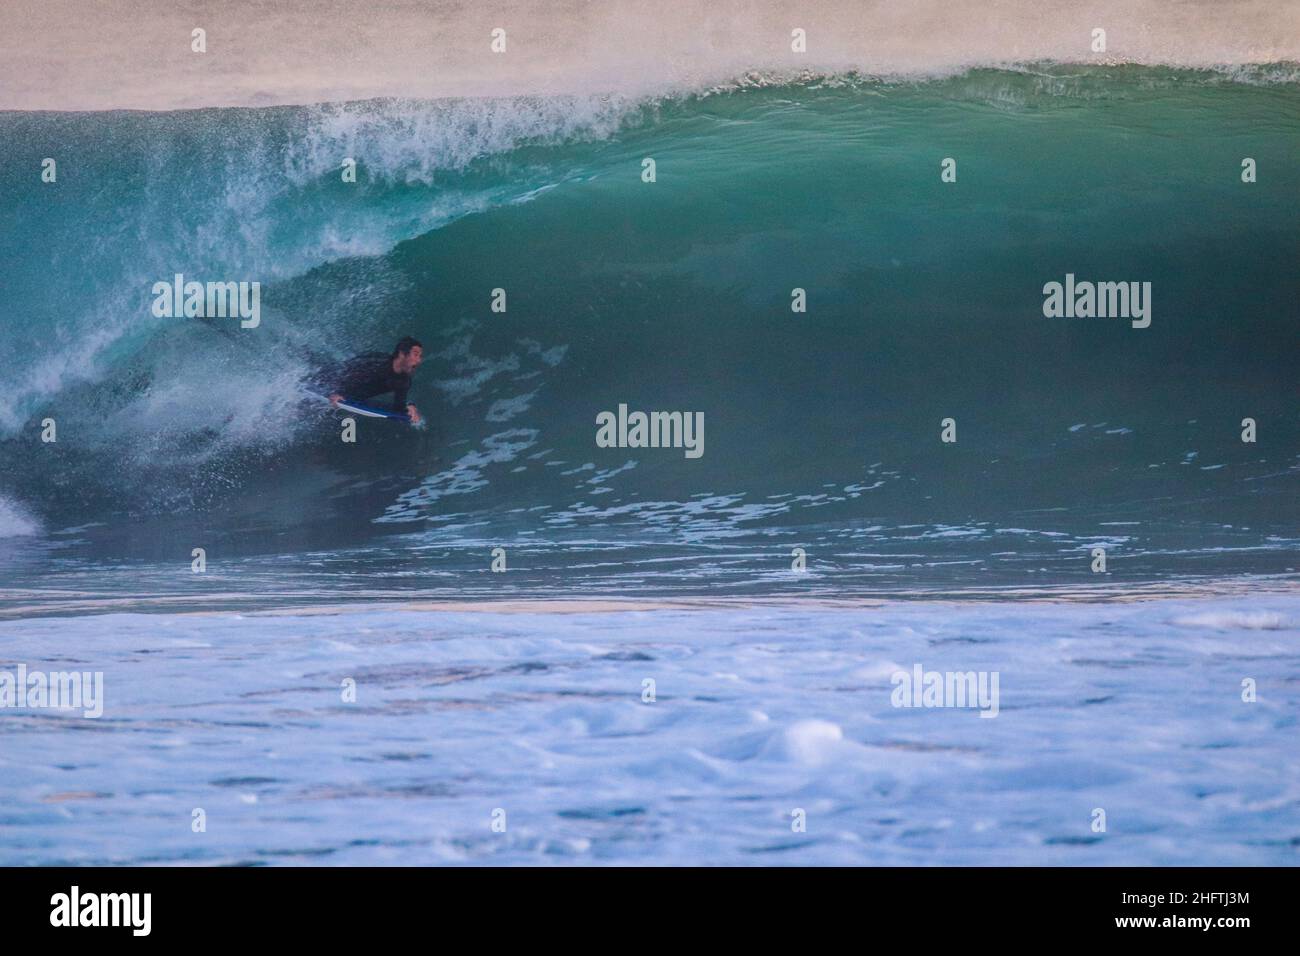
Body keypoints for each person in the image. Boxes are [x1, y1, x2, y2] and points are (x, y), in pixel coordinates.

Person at [325, 336, 424, 424]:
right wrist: (337, 392)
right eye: (415, 355)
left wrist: (409, 407)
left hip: (355, 394)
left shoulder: (403, 381)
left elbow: (399, 406)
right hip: (334, 377)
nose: (419, 360)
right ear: (402, 354)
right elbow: (348, 373)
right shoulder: (377, 364)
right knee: (319, 373)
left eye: (420, 356)